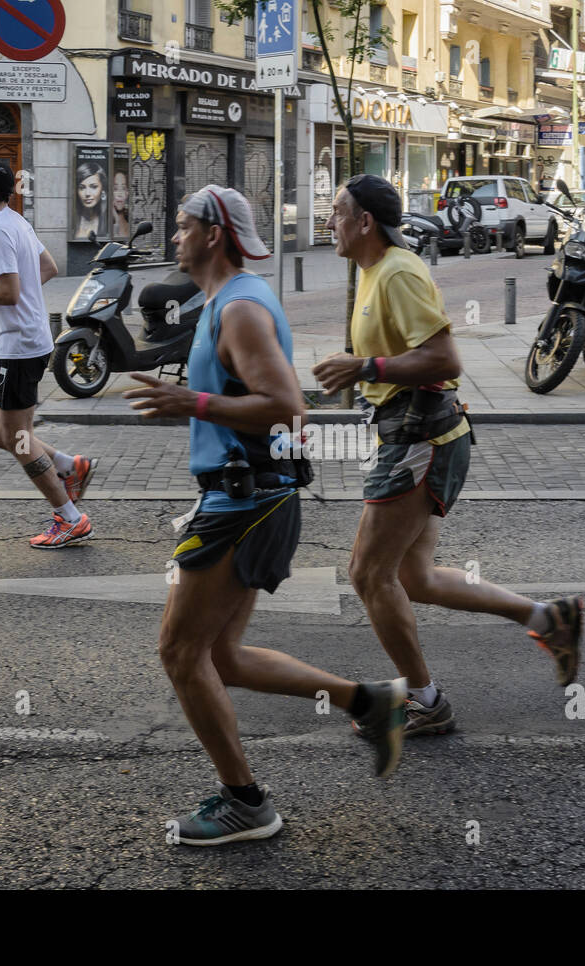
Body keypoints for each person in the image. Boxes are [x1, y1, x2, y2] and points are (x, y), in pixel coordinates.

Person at [123, 185, 407, 846]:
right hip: (249, 494)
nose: (175, 237)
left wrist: (189, 404)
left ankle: (245, 800)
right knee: (222, 655)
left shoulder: (242, 307)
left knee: (179, 651)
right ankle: (370, 701)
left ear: (214, 234)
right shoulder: (224, 299)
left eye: (184, 225)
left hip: (245, 501)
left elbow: (285, 406)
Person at [312, 174, 583, 739]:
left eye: (338, 212)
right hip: (415, 434)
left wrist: (366, 368)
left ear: (365, 222)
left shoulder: (398, 271)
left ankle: (426, 699)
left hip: (421, 440)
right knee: (413, 577)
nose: (329, 222)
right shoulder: (371, 272)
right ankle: (548, 619)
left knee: (367, 573)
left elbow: (444, 360)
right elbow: (395, 357)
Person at [0, 160, 98, 549]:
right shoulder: (16, 222)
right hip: (18, 344)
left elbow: (8, 293)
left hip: (19, 348)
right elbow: (45, 267)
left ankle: (70, 518)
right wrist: (24, 296)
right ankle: (69, 465)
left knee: (18, 438)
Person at [73, 162, 109, 241]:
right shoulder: (73, 221)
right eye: (82, 188)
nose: (87, 194)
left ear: (102, 189)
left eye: (93, 187)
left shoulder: (109, 222)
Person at [111, 169, 130, 239]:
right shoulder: (104, 227)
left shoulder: (130, 225)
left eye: (123, 188)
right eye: (115, 189)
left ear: (127, 193)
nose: (120, 194)